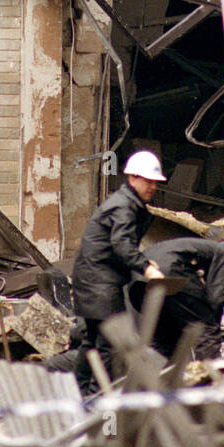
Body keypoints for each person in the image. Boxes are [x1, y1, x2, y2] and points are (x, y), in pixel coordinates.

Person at [71, 149, 166, 394]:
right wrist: (146, 268)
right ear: (132, 178)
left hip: (93, 280)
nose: (152, 187)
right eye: (148, 181)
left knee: (91, 342)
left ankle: (80, 393)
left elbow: (119, 245)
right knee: (107, 344)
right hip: (99, 284)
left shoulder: (125, 203)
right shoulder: (124, 207)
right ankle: (96, 399)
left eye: (156, 182)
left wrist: (144, 262)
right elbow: (121, 244)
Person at [130, 237, 224, 361]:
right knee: (205, 329)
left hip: (138, 281)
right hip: (167, 274)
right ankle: (211, 378)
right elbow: (216, 298)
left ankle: (169, 377)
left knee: (166, 336)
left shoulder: (192, 247)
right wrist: (212, 323)